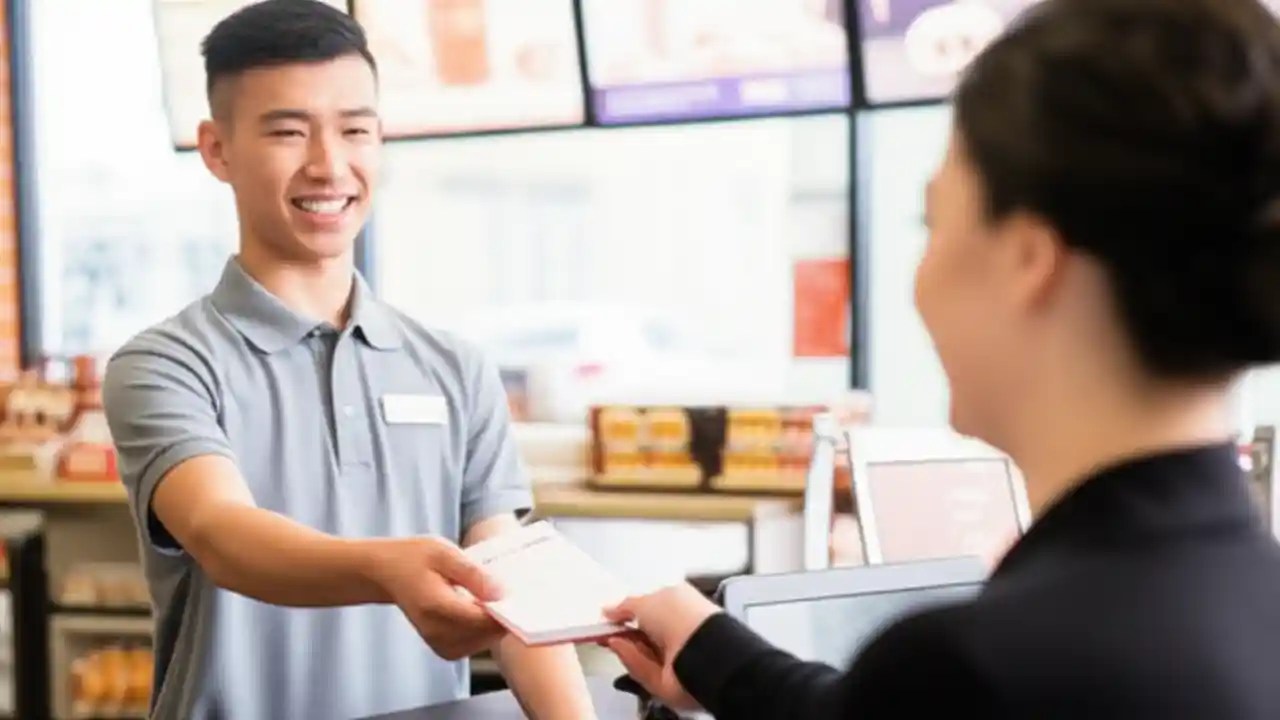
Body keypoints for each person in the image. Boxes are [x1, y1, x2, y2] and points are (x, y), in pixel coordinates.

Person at [602, 0, 1280, 717]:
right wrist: (717, 653)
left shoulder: (975, 665)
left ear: (1028, 259)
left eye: (931, 223)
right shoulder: (1244, 603)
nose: (919, 284)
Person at [101, 1, 595, 718]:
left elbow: (509, 587)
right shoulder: (166, 365)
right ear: (217, 149)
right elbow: (222, 533)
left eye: (355, 129)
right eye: (288, 131)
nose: (329, 165)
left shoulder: (454, 369)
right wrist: (386, 569)